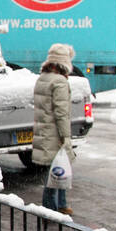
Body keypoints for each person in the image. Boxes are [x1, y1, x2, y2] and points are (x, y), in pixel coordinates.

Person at [33, 43, 75, 216]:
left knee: (57, 169)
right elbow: (61, 113)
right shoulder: (59, 82)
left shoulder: (42, 78)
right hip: (54, 134)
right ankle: (50, 210)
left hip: (43, 131)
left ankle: (61, 204)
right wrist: (66, 136)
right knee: (55, 173)